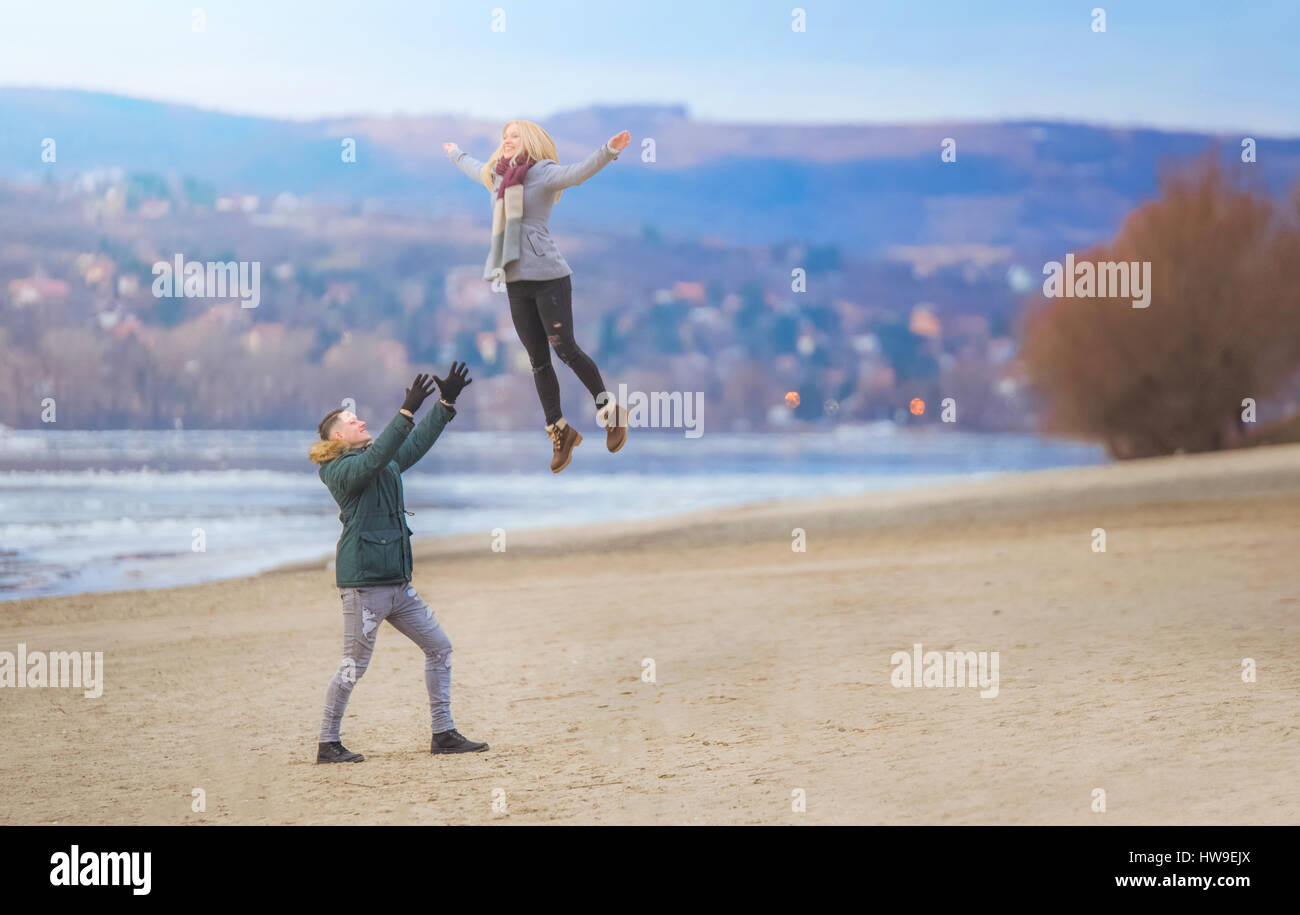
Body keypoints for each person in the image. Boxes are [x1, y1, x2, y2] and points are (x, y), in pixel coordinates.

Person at [308, 363, 488, 762]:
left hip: (398, 585)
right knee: (354, 666)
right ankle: (327, 743)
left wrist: (445, 403)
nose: (362, 421)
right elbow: (375, 460)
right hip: (365, 586)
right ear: (338, 436)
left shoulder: (380, 458)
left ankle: (443, 734)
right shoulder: (338, 470)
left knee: (439, 647)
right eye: (354, 421)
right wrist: (405, 412)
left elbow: (412, 446)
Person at [444, 120, 631, 473]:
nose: (507, 141)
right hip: (515, 278)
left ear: (528, 140)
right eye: (504, 137)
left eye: (514, 136)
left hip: (549, 277)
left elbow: (576, 174)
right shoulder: (497, 176)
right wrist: (455, 154)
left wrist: (608, 152)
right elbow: (474, 169)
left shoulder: (542, 173)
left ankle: (611, 411)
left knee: (566, 349)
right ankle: (561, 431)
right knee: (537, 360)